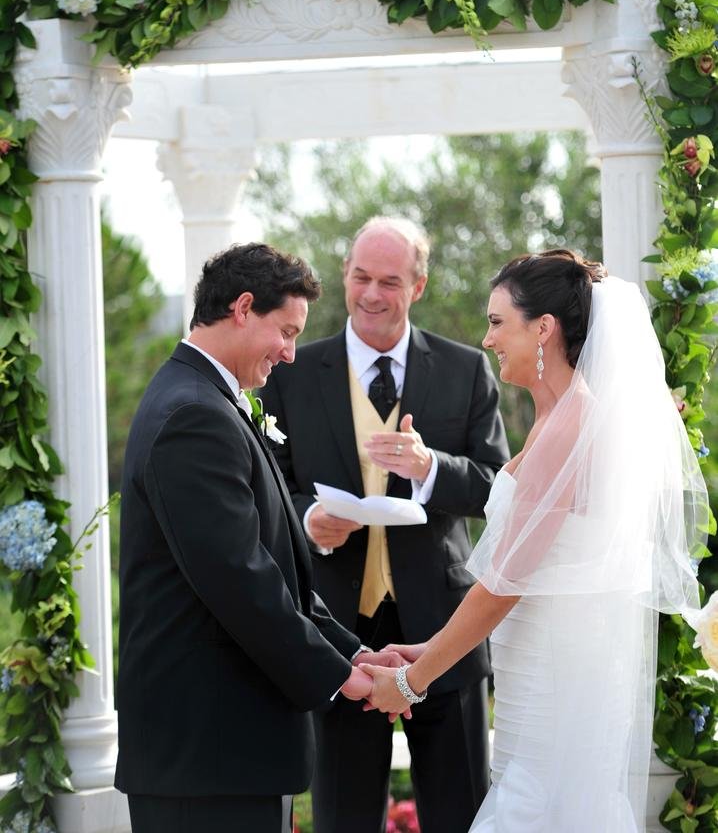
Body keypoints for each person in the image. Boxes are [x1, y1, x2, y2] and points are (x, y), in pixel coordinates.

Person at [362, 249, 708, 832]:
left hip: (554, 694)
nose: (488, 338)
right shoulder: (555, 423)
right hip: (529, 687)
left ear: (543, 328)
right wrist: (425, 651)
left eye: (499, 322)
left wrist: (410, 682)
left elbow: (504, 584)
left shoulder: (574, 424)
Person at [114, 242, 400, 833]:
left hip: (229, 756)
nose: (291, 353)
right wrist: (343, 678)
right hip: (206, 759)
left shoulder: (208, 401)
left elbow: (279, 573)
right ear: (243, 307)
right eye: (286, 331)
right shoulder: (192, 416)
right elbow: (240, 582)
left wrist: (355, 652)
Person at [259, 216, 510, 833]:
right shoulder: (290, 373)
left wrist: (430, 468)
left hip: (444, 630)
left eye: (390, 281)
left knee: (461, 814)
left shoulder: (464, 369)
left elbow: (501, 490)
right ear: (345, 275)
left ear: (418, 286)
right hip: (335, 632)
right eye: (360, 277)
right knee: (344, 817)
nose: (371, 294)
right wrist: (308, 518)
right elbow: (268, 484)